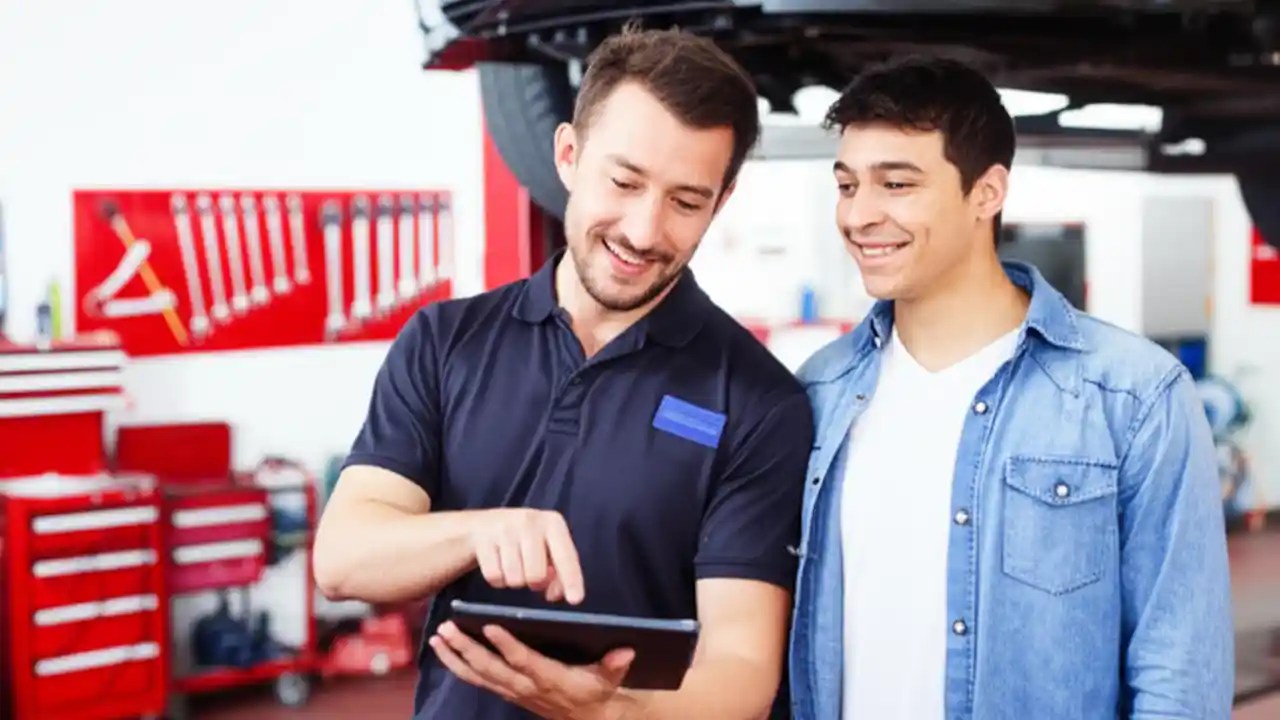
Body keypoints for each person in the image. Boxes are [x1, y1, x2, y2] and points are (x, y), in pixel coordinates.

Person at [314, 24, 812, 720]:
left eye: (685, 201)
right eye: (624, 181)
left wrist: (604, 714)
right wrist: (477, 532)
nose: (643, 229)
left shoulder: (759, 401)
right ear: (569, 155)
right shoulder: (444, 341)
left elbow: (742, 671)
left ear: (720, 203)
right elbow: (342, 560)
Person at [787, 56, 1234, 719]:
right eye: (848, 185)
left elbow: (1181, 676)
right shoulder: (818, 393)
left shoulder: (1132, 397)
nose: (859, 215)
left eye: (897, 184)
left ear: (987, 193)